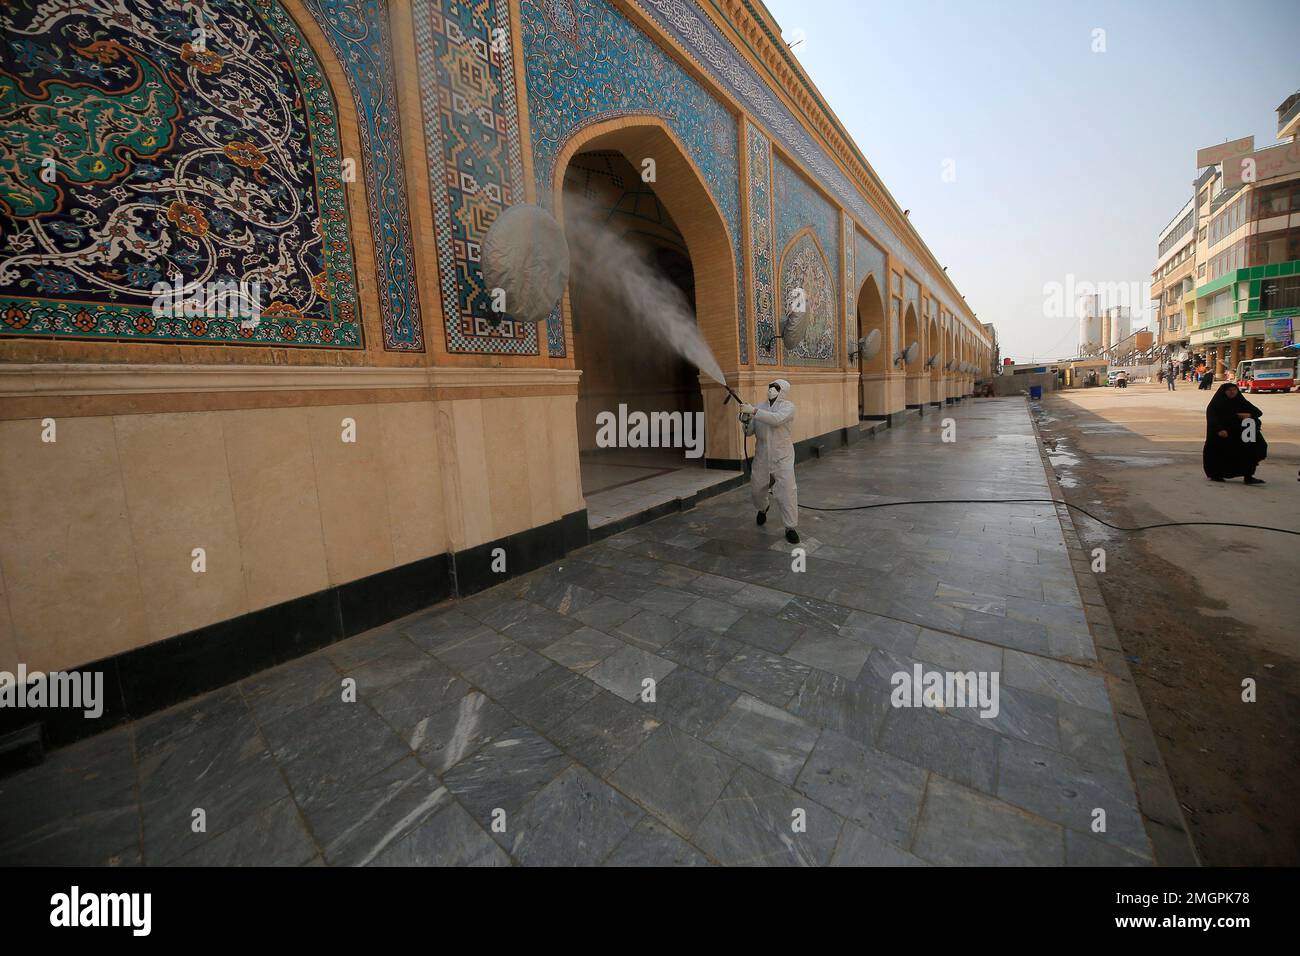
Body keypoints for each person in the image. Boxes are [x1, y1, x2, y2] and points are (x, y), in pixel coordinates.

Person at [740, 379, 799, 544]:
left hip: (782, 457)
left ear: (783, 391)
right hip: (762, 456)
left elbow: (776, 419)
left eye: (776, 387)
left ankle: (790, 527)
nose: (771, 389)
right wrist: (746, 419)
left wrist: (754, 411)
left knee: (787, 492)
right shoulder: (760, 406)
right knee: (757, 489)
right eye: (770, 387)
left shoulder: (788, 407)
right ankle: (762, 508)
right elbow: (749, 431)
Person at [1203, 382, 1267, 484]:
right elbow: (1212, 419)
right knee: (1221, 454)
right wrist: (1219, 430)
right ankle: (1217, 475)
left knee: (1250, 451)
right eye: (1229, 390)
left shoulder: (1240, 401)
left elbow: (1258, 412)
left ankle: (1248, 476)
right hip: (1223, 434)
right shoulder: (1217, 403)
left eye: (1234, 390)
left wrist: (1248, 415)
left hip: (1240, 434)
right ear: (1224, 392)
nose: (1232, 392)